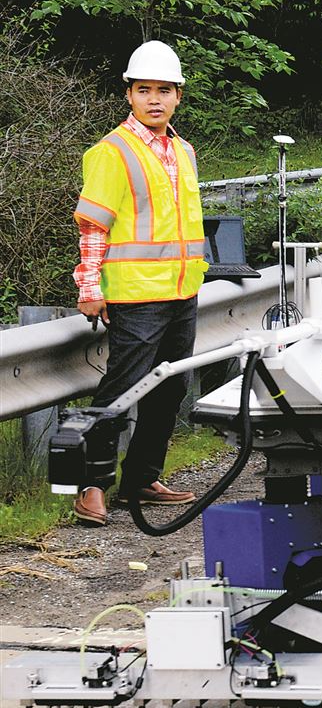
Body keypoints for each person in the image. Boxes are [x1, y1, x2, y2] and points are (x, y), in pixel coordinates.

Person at [71, 41, 207, 526]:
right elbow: (93, 225)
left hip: (181, 290)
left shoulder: (184, 151)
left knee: (170, 390)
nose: (154, 99)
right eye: (144, 89)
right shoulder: (112, 152)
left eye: (164, 90)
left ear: (178, 97)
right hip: (135, 295)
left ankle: (142, 479)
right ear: (129, 94)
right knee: (122, 389)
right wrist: (90, 286)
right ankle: (91, 485)